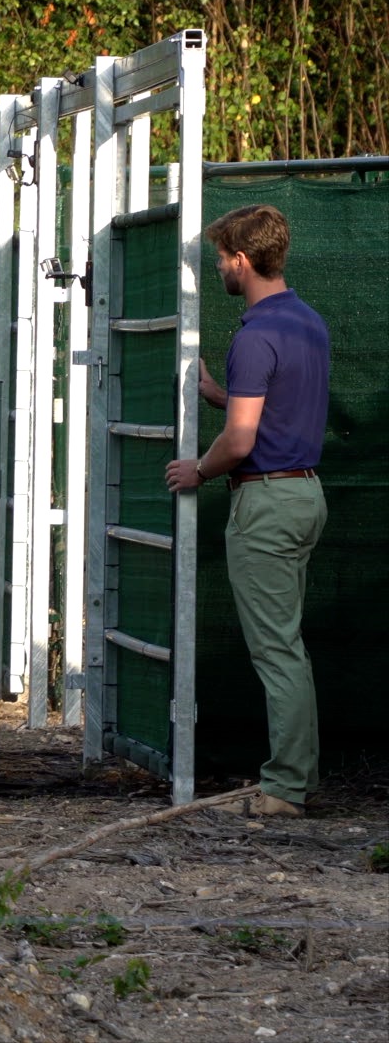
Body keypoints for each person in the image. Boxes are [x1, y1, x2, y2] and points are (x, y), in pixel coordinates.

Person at [164, 204, 329, 820]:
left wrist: (196, 470)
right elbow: (274, 406)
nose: (217, 269)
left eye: (219, 259)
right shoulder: (307, 321)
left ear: (241, 260)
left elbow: (240, 441)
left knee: (276, 651)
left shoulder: (253, 335)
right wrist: (218, 394)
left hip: (265, 503)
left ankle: (285, 787)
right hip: (305, 494)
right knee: (290, 646)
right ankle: (299, 777)